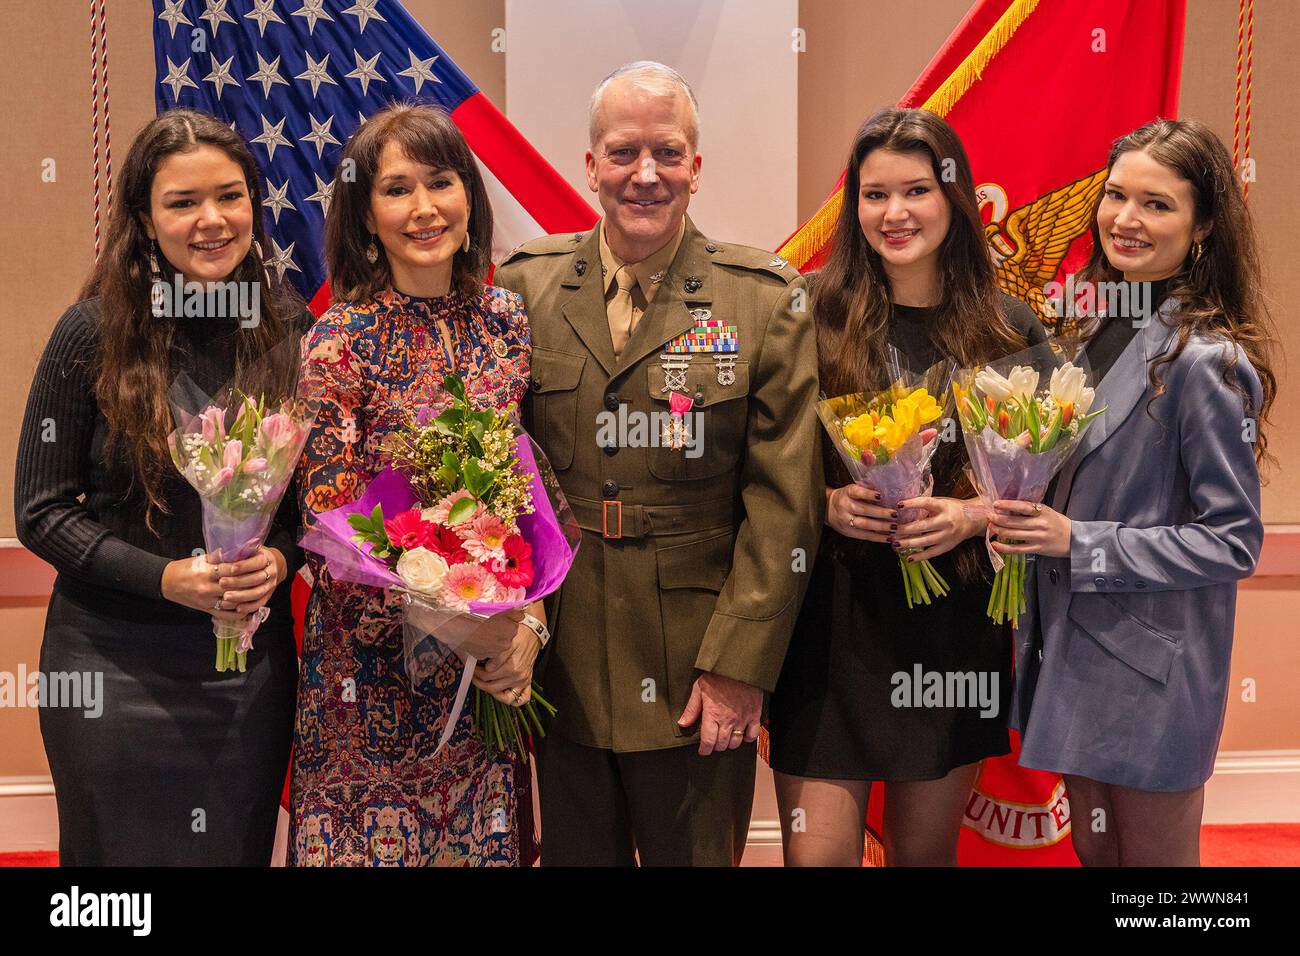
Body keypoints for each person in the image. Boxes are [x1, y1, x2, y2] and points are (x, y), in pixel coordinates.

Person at [495, 61, 822, 866]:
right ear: (592, 166)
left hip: (692, 665)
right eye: (624, 152)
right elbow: (500, 475)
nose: (646, 174)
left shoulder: (762, 300)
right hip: (557, 656)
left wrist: (738, 669)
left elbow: (785, 505)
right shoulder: (522, 290)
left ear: (697, 168)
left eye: (668, 153)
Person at [14, 108, 306, 865]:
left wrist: (277, 561)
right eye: (183, 202)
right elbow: (42, 511)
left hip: (242, 670)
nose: (212, 220)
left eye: (231, 196)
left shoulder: (288, 327)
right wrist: (167, 578)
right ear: (144, 218)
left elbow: (311, 507)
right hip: (109, 666)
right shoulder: (92, 333)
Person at [766, 107, 1048, 866]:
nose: (893, 214)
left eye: (916, 191)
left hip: (953, 628)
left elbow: (1059, 487)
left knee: (925, 858)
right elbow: (754, 464)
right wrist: (824, 504)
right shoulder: (805, 311)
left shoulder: (1009, 327)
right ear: (851, 205)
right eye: (873, 194)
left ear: (955, 198)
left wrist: (971, 513)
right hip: (827, 628)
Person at [992, 118, 1277, 867]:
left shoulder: (1206, 360)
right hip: (1075, 653)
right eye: (1116, 195)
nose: (1126, 218)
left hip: (1152, 672)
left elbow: (1234, 540)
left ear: (1203, 225)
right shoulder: (1094, 328)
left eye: (1157, 204)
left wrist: (1075, 541)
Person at [292, 103, 542, 867]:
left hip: (490, 688)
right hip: (366, 688)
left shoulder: (508, 321)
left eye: (442, 182)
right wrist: (466, 627)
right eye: (397, 190)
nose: (425, 208)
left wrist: (525, 631)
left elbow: (530, 503)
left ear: (470, 193)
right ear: (366, 216)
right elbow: (332, 535)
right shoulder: (338, 341)